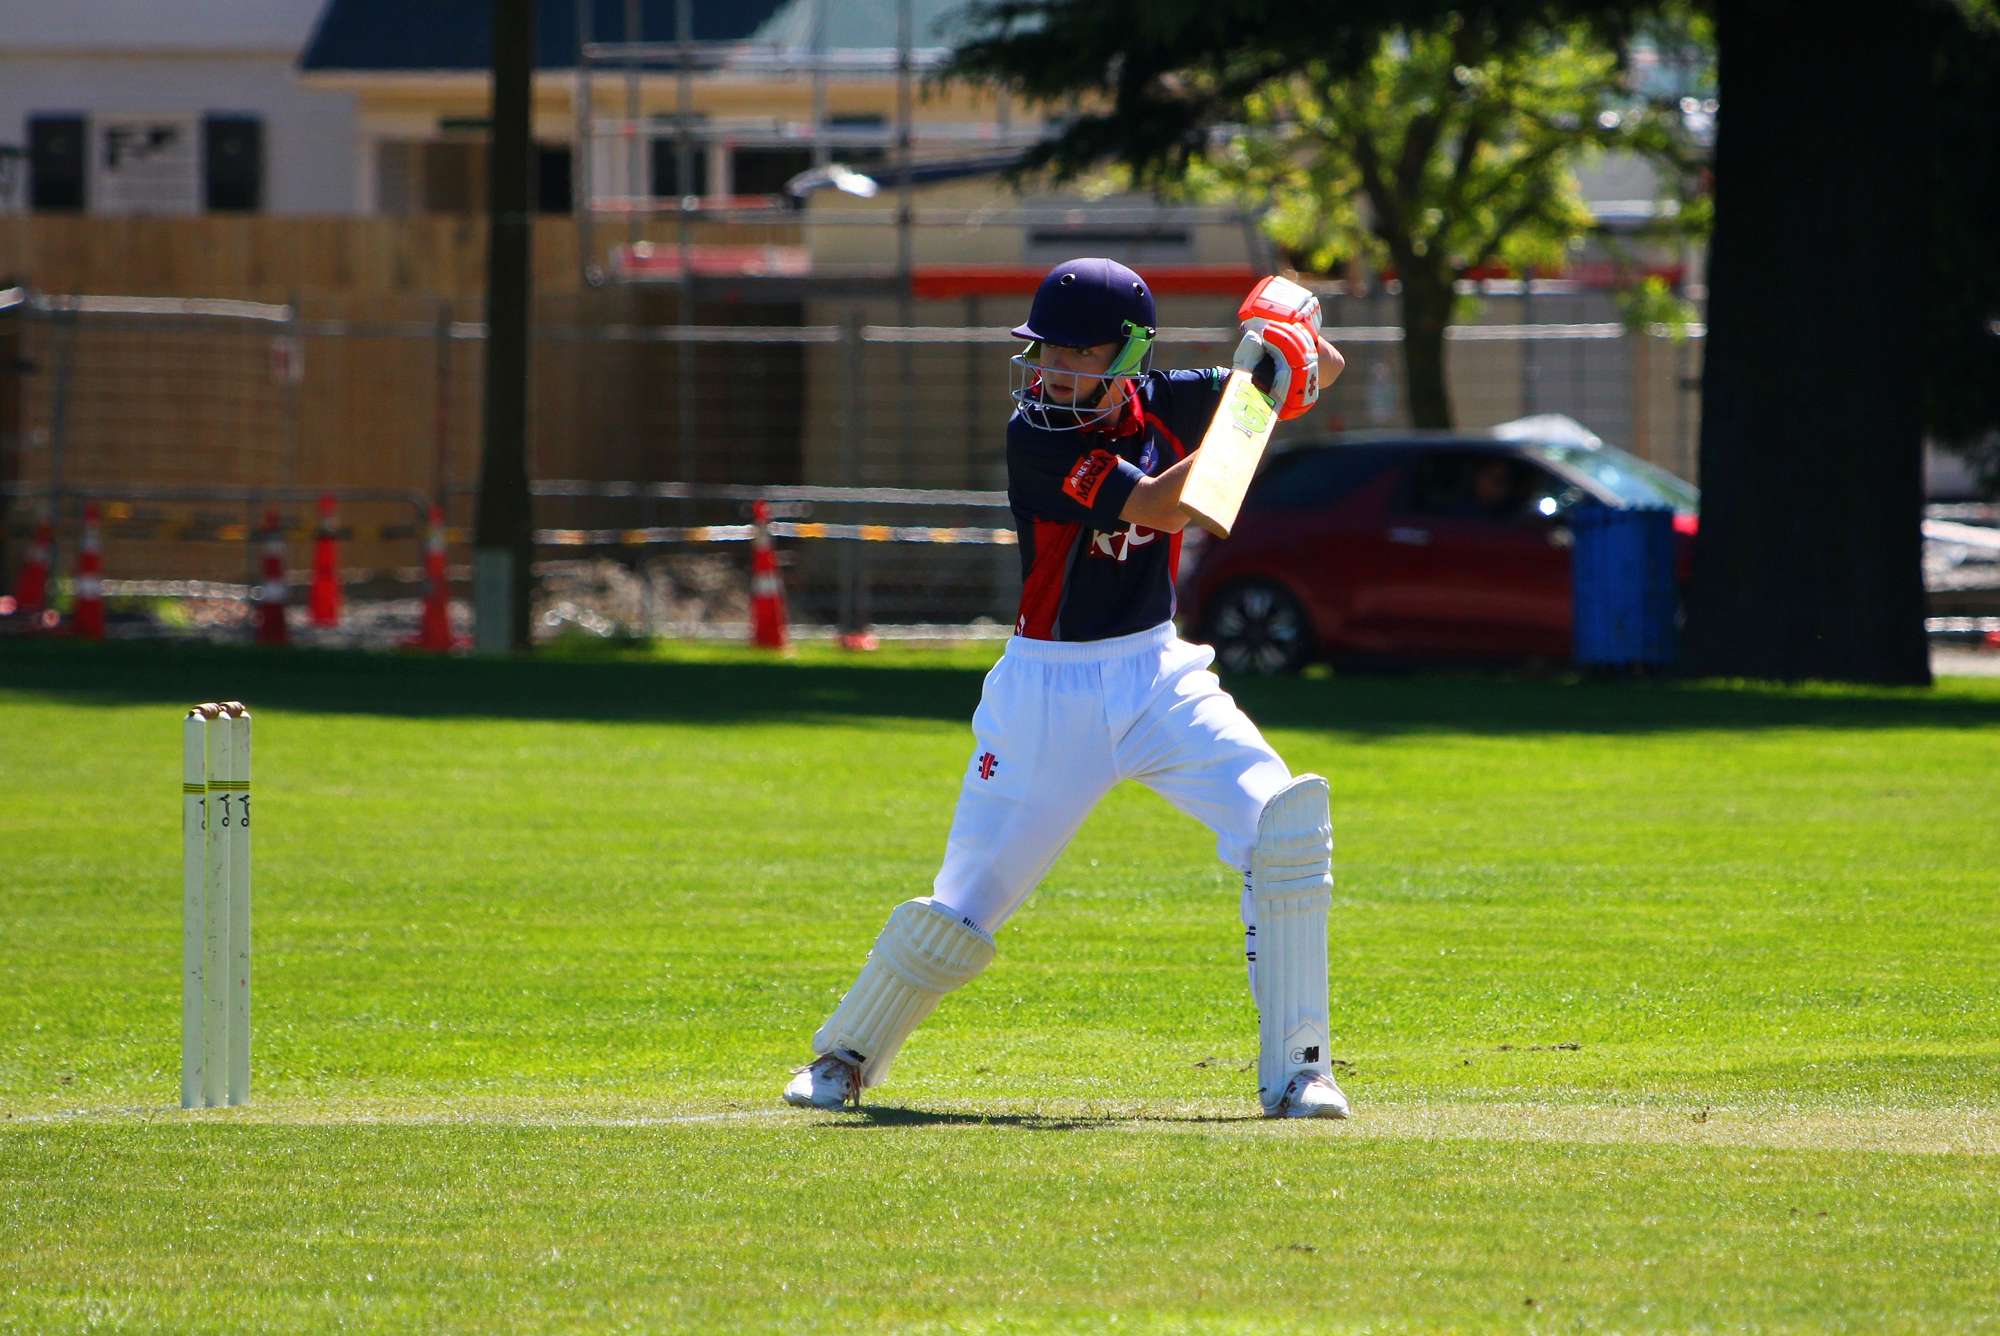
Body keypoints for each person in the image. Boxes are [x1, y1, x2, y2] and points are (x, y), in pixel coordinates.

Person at [783, 259, 1352, 1118]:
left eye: (1078, 354)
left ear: (1127, 355)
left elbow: (1318, 378)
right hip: (1047, 694)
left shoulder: (1176, 396)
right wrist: (1256, 386)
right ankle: (845, 1057)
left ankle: (1301, 1070)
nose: (1054, 371)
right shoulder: (1038, 439)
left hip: (1159, 675)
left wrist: (1294, 334)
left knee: (1282, 823)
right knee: (965, 901)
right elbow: (1169, 506)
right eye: (1046, 351)